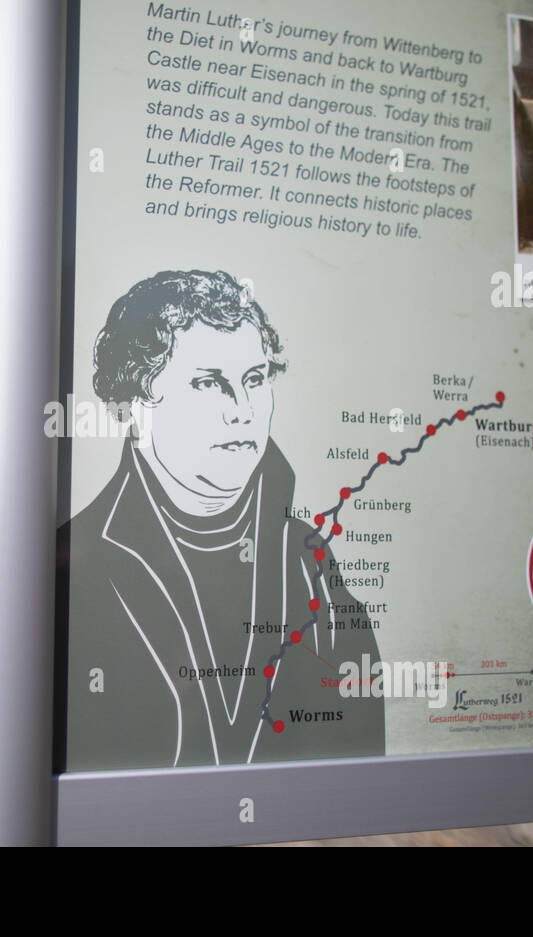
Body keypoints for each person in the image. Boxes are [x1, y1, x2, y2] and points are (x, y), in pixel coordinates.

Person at [56, 270, 385, 770]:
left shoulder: (310, 562)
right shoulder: (73, 562)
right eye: (209, 383)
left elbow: (360, 757)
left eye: (254, 379)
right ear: (138, 401)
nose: (242, 410)